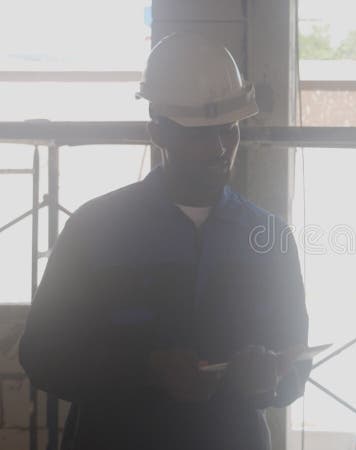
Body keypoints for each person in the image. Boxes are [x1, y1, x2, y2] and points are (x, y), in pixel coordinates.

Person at [19, 33, 309, 450]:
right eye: (199, 134)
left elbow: (295, 361)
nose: (220, 148)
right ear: (158, 132)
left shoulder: (269, 237)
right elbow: (42, 355)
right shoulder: (96, 229)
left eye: (229, 129)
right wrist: (144, 371)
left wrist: (270, 380)